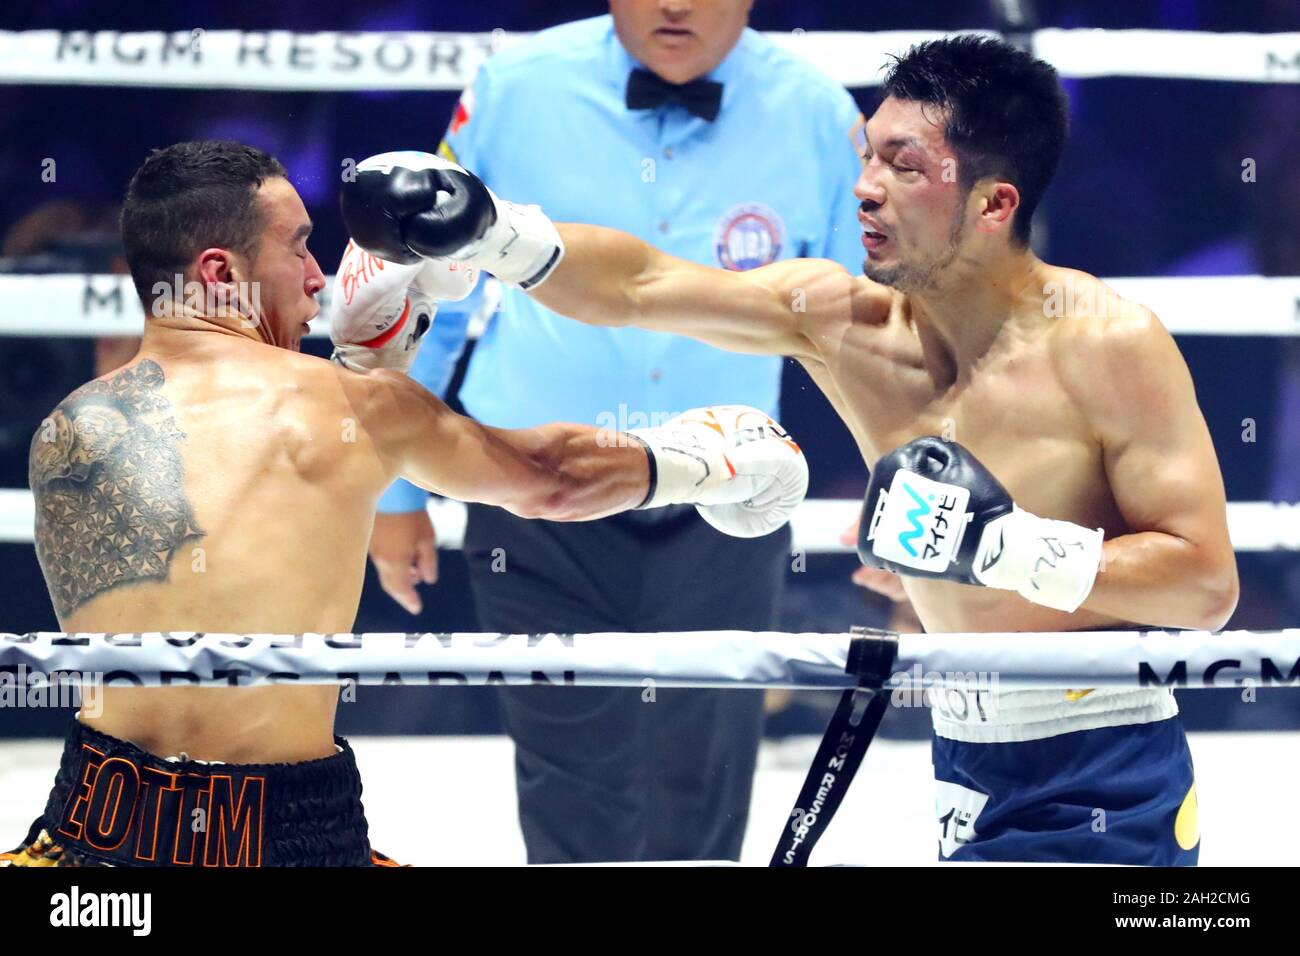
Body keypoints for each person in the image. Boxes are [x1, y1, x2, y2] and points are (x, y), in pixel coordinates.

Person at [351, 34, 1240, 864]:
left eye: (903, 164)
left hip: (1106, 762)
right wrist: (494, 231)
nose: (865, 185)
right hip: (965, 752)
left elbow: (1205, 586)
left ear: (994, 203)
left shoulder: (1104, 343)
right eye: (868, 154)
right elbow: (641, 284)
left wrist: (1005, 549)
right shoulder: (843, 323)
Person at [2, 140, 806, 867]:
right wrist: (704, 461)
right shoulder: (346, 407)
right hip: (281, 825)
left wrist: (370, 363)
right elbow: (550, 478)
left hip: (90, 825)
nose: (317, 277)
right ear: (218, 272)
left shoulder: (63, 431)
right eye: (297, 247)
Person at [360, 0, 864, 864]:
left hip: (725, 486)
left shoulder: (819, 111)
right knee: (565, 767)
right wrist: (395, 489)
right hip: (524, 477)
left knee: (703, 771)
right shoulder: (513, 85)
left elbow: (867, 334)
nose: (676, 4)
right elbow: (420, 291)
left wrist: (893, 481)